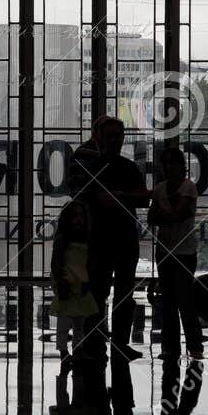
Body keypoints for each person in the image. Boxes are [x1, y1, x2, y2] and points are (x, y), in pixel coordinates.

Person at [70, 115, 148, 359]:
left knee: (108, 292)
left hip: (110, 238)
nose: (115, 140)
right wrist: (123, 197)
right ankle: (113, 345)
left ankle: (104, 345)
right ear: (100, 138)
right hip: (108, 238)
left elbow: (141, 199)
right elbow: (141, 197)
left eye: (118, 136)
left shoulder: (96, 169)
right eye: (110, 136)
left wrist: (112, 197)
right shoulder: (123, 168)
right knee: (105, 292)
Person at [149, 147, 203, 357]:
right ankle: (187, 346)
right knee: (174, 300)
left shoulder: (169, 189)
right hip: (174, 250)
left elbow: (167, 217)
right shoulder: (183, 189)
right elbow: (171, 215)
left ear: (181, 166)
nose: (170, 168)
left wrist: (163, 210)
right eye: (167, 164)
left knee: (181, 300)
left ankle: (181, 347)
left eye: (173, 164)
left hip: (178, 251)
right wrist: (168, 212)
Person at [50, 200, 99, 367]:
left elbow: (89, 263)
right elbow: (56, 263)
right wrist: (60, 282)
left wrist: (88, 281)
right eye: (75, 216)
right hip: (67, 284)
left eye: (81, 216)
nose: (78, 219)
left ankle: (77, 350)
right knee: (65, 323)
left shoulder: (85, 239)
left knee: (79, 323)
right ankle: (64, 351)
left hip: (81, 284)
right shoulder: (63, 239)